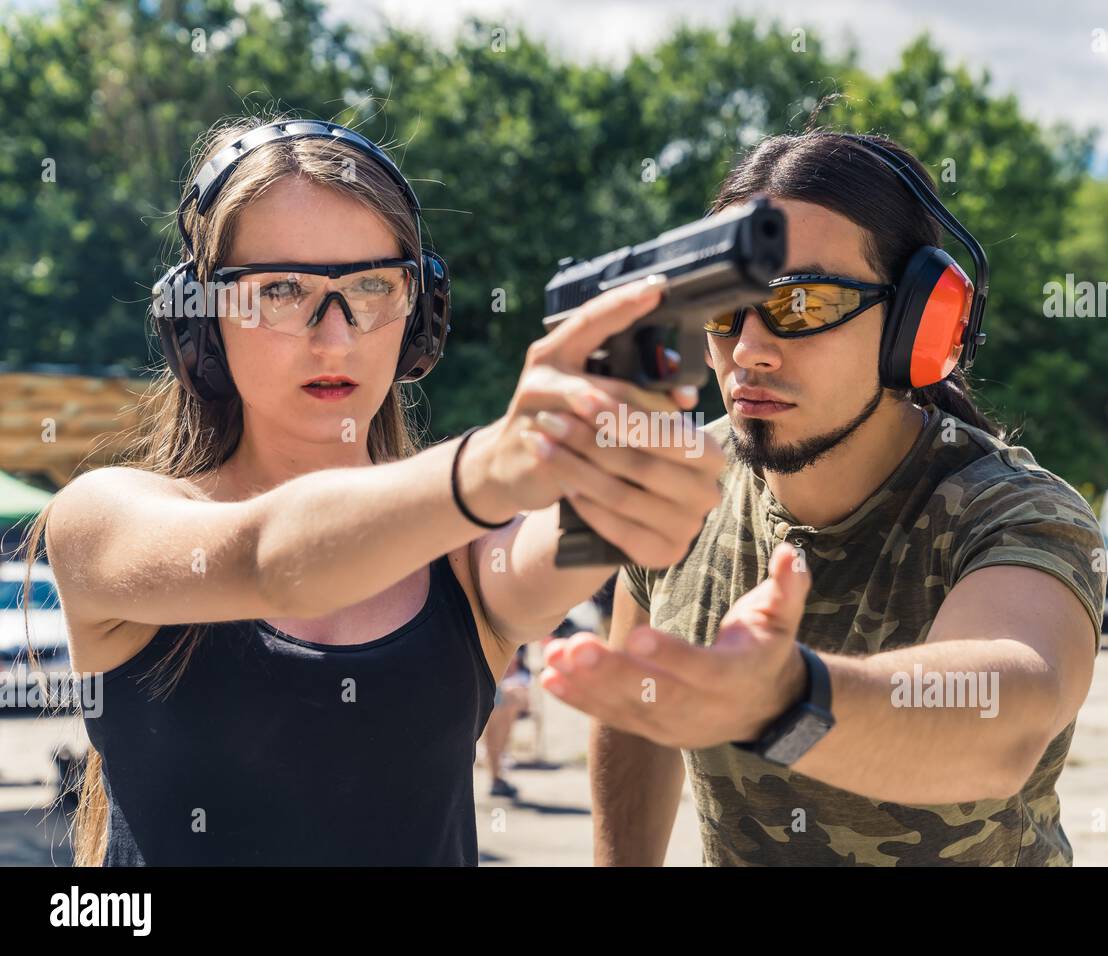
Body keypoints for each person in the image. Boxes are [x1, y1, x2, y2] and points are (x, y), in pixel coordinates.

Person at [19, 114, 723, 866]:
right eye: (282, 289)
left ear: (420, 313)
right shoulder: (105, 519)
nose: (336, 336)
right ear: (201, 317)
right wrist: (493, 465)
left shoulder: (466, 552)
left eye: (371, 286)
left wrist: (646, 431)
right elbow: (269, 559)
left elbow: (587, 525)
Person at [540, 129, 1107, 866]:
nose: (747, 349)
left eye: (801, 303)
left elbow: (1001, 721)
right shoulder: (678, 480)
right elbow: (637, 713)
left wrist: (783, 702)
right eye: (719, 308)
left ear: (918, 321)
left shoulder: (1014, 510)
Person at [481, 645, 532, 799]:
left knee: (501, 730)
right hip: (493, 680)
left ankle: (497, 776)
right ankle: (496, 777)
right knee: (497, 731)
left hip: (500, 681)